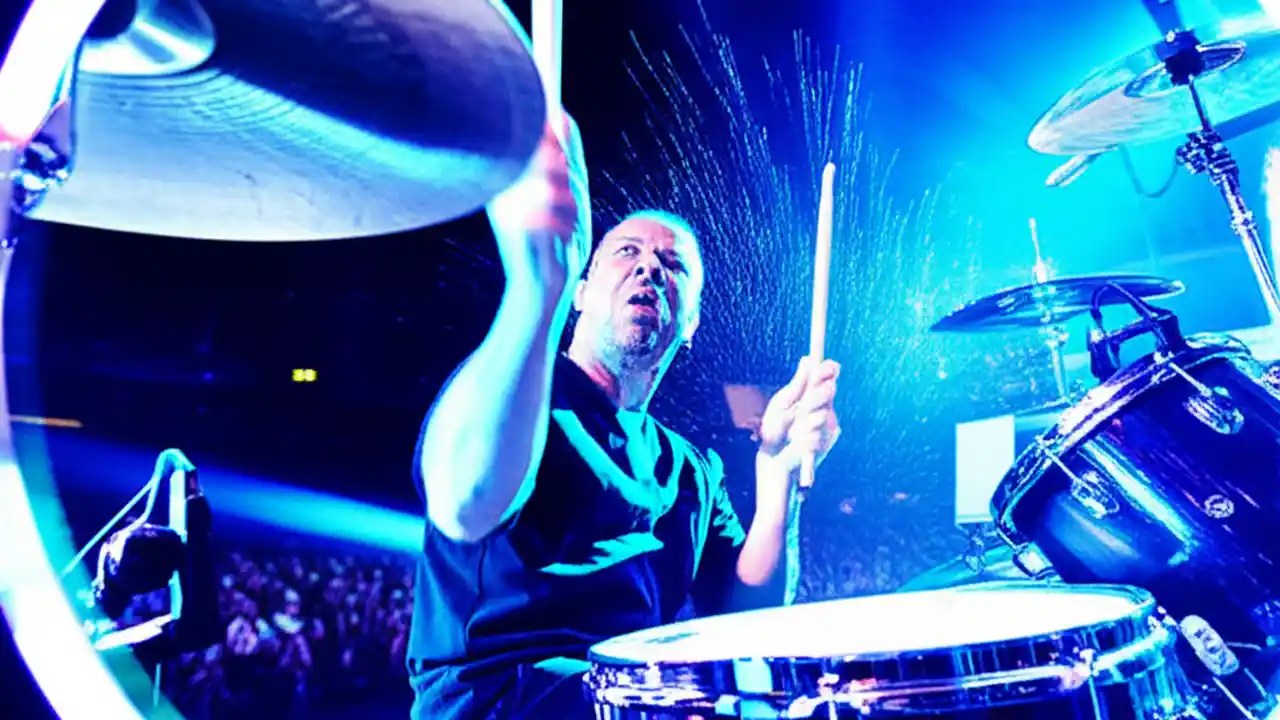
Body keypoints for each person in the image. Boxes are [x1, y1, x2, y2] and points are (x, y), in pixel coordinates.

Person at [405, 113, 842, 719]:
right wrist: (538, 287)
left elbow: (749, 620)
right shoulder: (516, 393)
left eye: (673, 265)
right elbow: (465, 501)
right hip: (501, 702)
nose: (649, 267)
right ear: (582, 292)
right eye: (626, 251)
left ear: (689, 325)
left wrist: (779, 474)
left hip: (634, 699)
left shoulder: (690, 470)